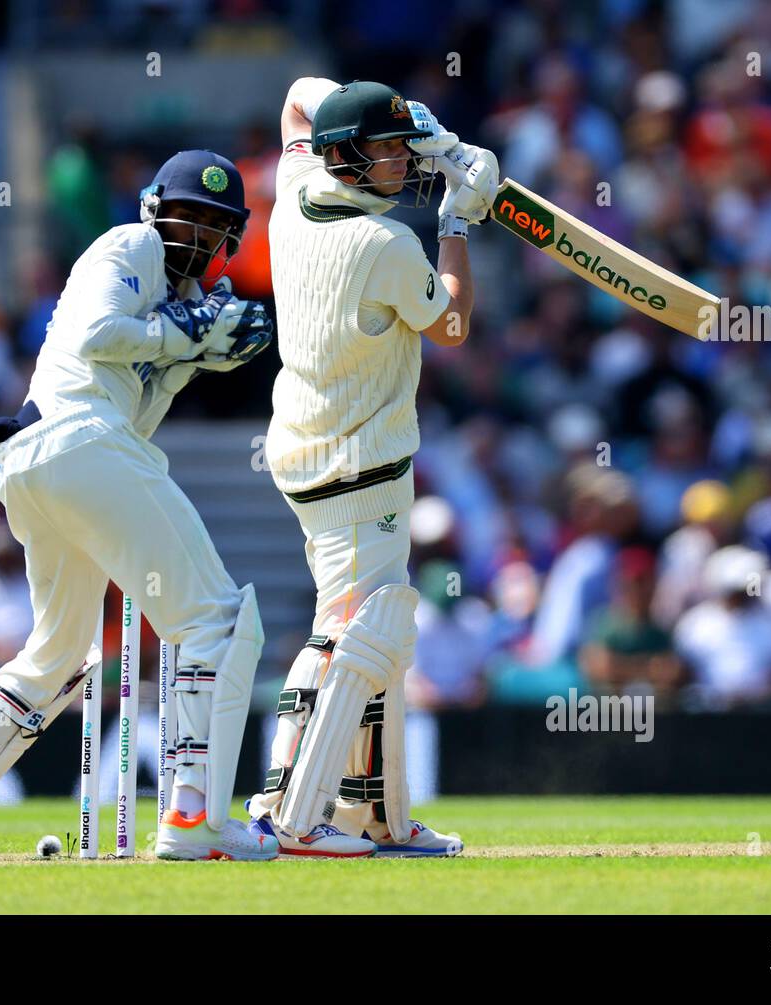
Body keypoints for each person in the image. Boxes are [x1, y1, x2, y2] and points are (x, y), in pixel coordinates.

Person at [0, 150, 279, 862]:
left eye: (214, 225)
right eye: (188, 216)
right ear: (156, 209)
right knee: (220, 620)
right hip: (73, 442)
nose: (197, 235)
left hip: (51, 461)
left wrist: (188, 360)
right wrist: (184, 334)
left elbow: (137, 411)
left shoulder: (167, 301)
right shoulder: (129, 246)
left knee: (60, 655)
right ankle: (194, 822)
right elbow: (97, 336)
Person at [246, 78, 497, 856]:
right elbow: (453, 323)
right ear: (347, 156)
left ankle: (379, 815)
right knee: (356, 629)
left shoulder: (293, 192)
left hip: (312, 450)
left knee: (384, 639)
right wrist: (458, 219)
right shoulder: (383, 246)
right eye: (386, 149)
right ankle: (288, 810)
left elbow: (294, 96)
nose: (400, 162)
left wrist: (415, 125)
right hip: (359, 463)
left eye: (401, 146)